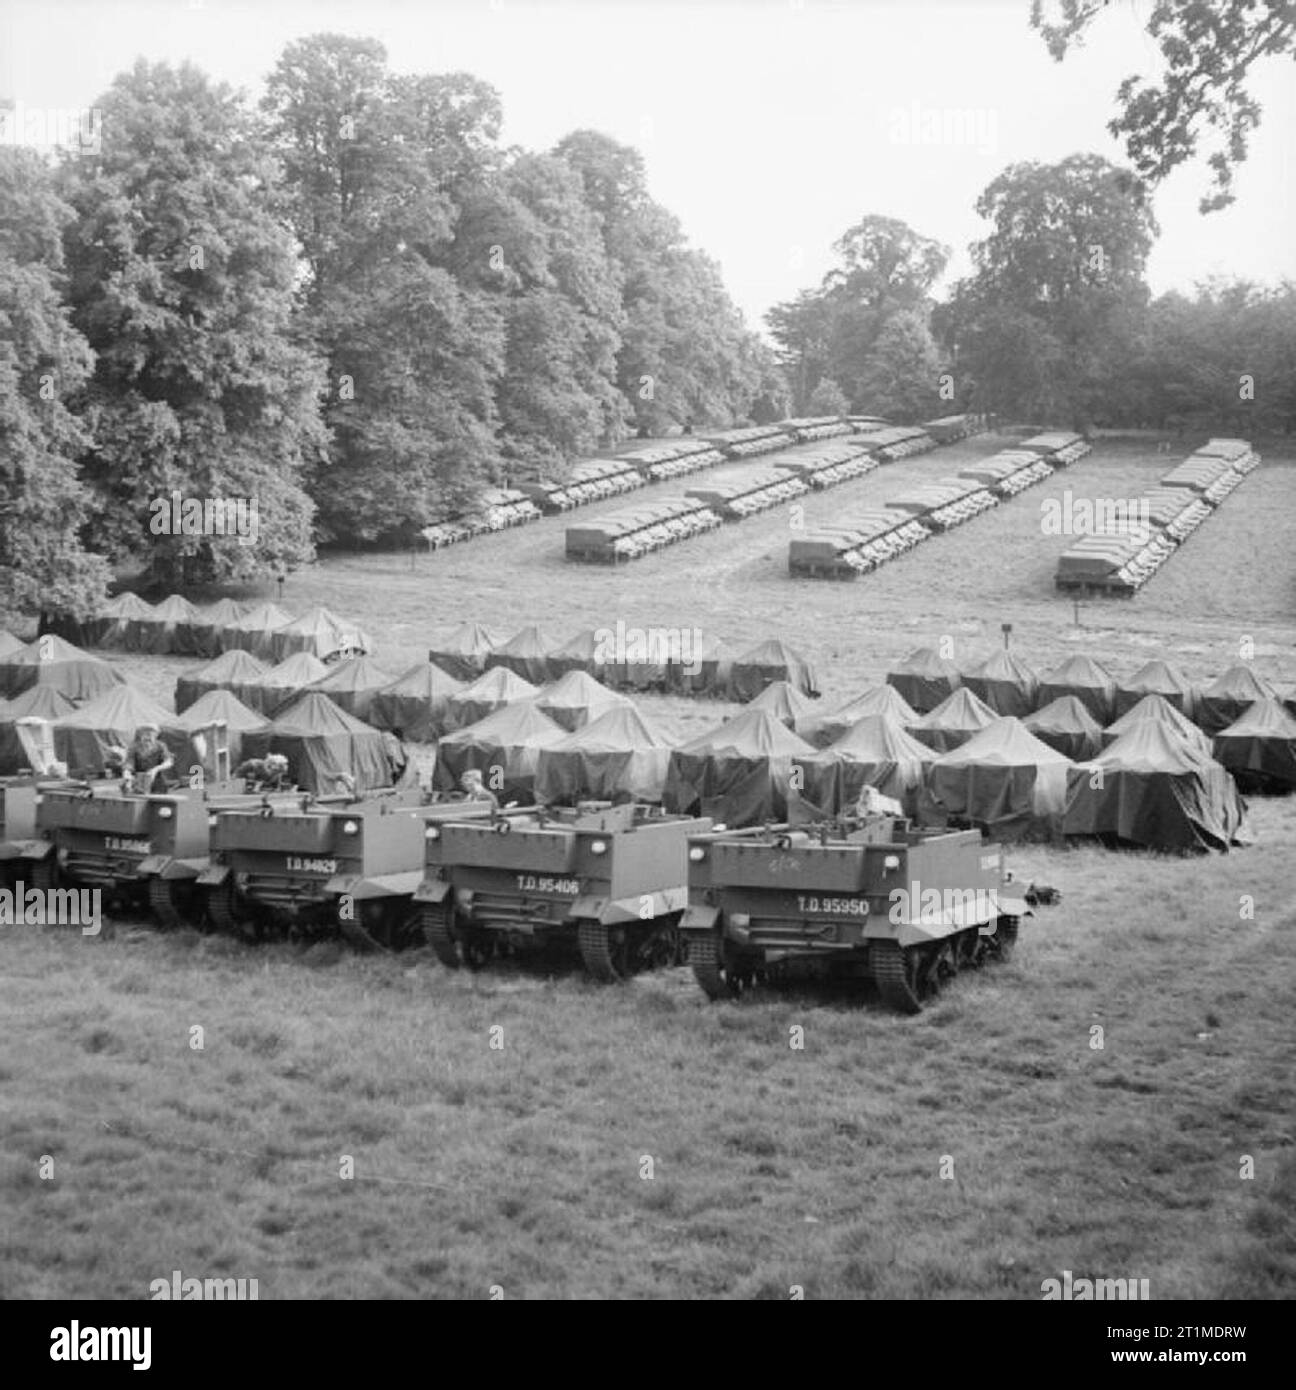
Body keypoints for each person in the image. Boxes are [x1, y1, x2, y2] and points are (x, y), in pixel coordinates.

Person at [125, 724, 175, 791]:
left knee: (161, 799)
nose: (147, 737)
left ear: (156, 735)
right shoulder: (134, 747)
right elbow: (129, 762)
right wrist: (127, 773)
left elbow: (169, 761)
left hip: (157, 780)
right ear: (140, 736)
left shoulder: (160, 746)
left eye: (150, 734)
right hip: (138, 781)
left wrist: (156, 769)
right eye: (144, 734)